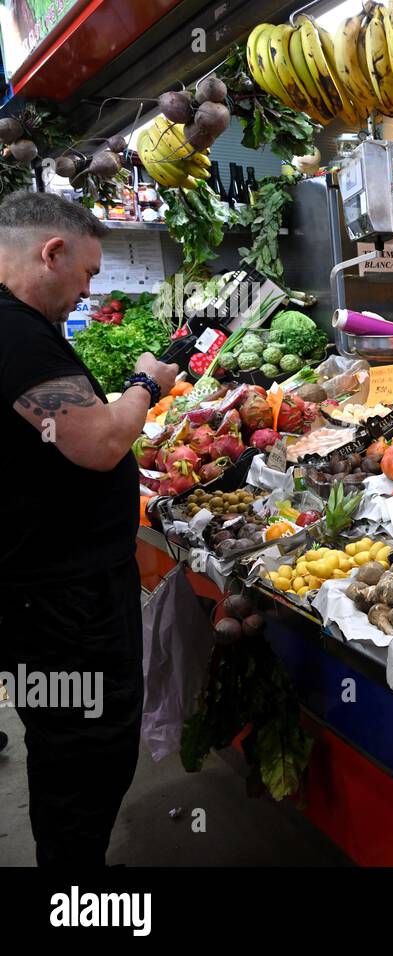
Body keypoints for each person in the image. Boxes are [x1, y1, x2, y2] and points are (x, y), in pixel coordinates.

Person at [0, 191, 177, 866]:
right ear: (52, 253)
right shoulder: (15, 331)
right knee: (84, 746)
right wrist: (145, 383)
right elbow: (98, 443)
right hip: (59, 608)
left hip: (39, 595)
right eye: (88, 274)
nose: (87, 291)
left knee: (62, 740)